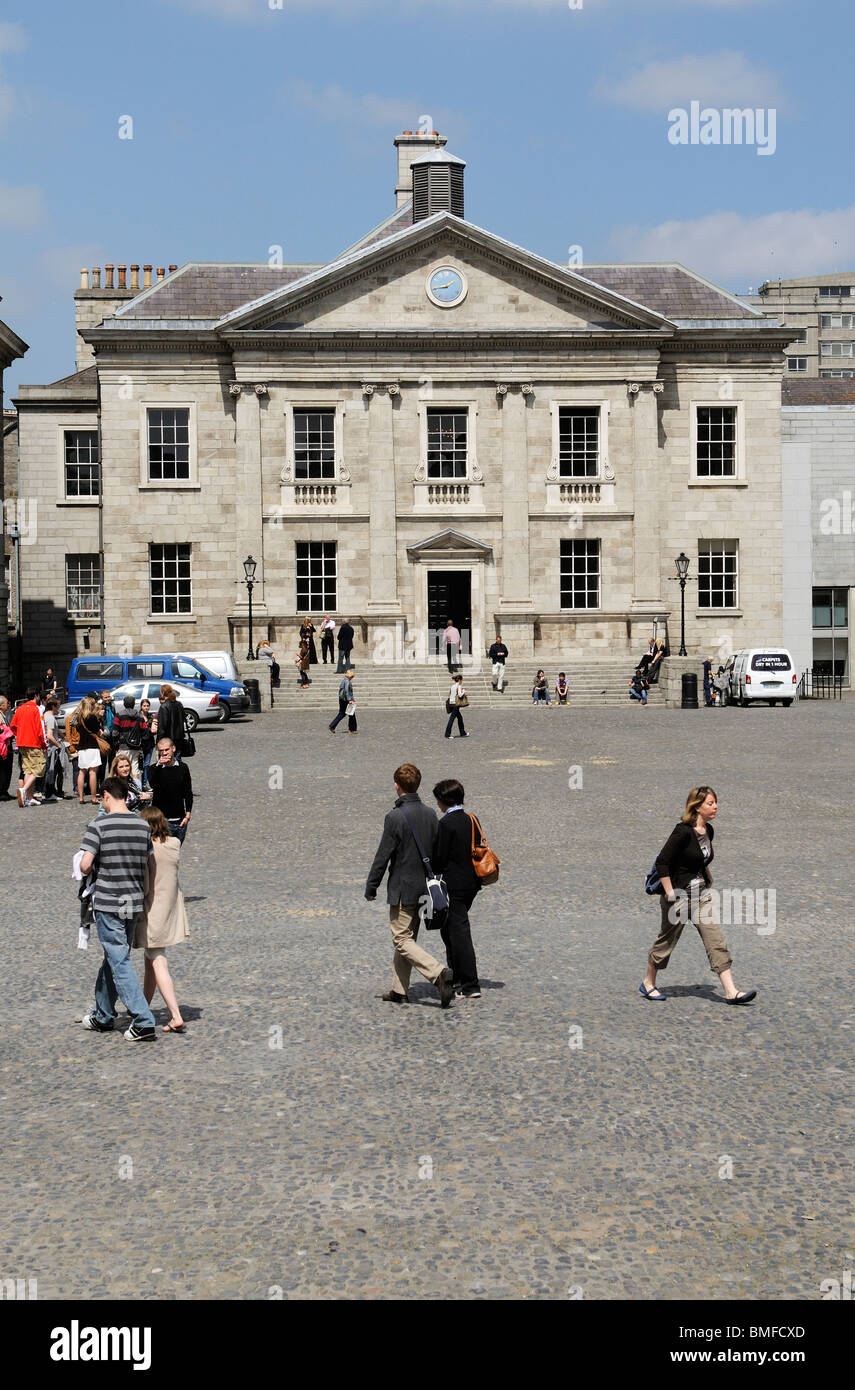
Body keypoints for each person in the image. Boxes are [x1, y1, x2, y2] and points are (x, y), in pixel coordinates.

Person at [640, 785, 757, 1006]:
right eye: (710, 803)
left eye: (715, 802)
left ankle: (731, 991)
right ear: (697, 806)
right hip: (679, 898)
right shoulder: (682, 831)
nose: (715, 807)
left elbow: (700, 859)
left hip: (701, 897)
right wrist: (669, 892)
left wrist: (708, 877)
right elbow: (663, 862)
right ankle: (648, 982)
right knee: (666, 942)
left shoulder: (709, 830)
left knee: (717, 941)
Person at [364, 762, 454, 1008]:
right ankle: (399, 990)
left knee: (401, 940)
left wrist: (371, 886)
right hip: (424, 888)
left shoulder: (394, 817)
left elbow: (383, 855)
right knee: (408, 938)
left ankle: (438, 973)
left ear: (397, 786)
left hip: (403, 889)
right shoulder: (430, 814)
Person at [79, 775, 157, 1041]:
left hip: (109, 901)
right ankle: (103, 1015)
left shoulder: (98, 824)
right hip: (132, 901)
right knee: (113, 957)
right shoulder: (141, 825)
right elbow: (149, 864)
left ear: (106, 795)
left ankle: (143, 1019)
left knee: (119, 960)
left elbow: (85, 865)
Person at [136, 806, 190, 1034]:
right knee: (150, 962)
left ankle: (175, 1014)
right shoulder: (174, 844)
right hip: (171, 909)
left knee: (157, 961)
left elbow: (146, 885)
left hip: (153, 910)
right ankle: (143, 1009)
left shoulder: (149, 850)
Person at [432, 778, 482, 1000]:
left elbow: (440, 857)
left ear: (444, 800)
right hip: (472, 883)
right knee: (450, 930)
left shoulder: (446, 824)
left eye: (438, 800)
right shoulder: (472, 819)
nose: (437, 805)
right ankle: (457, 979)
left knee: (460, 934)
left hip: (454, 886)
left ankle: (470, 985)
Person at [146, 737, 193, 843]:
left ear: (173, 749)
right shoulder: (154, 769)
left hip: (179, 821)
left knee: (175, 855)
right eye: (161, 751)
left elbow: (188, 792)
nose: (164, 753)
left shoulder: (183, 768)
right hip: (161, 821)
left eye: (166, 749)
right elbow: (153, 783)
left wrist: (188, 814)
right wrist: (159, 765)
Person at [10, 688, 48, 807]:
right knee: (38, 768)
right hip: (34, 743)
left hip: (22, 743)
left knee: (28, 769)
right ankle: (24, 790)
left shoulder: (19, 709)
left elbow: (13, 726)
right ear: (36, 696)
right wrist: (45, 744)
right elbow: (41, 728)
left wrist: (20, 735)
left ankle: (29, 797)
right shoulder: (37, 709)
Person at [73, 695, 106, 805]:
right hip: (92, 746)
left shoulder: (80, 717)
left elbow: (77, 728)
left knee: (82, 772)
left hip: (82, 746)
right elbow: (98, 732)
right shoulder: (92, 718)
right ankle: (93, 798)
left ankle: (81, 797)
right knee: (93, 772)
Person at [111, 694, 144, 779]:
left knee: (122, 769)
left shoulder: (119, 715)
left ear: (124, 704)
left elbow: (115, 732)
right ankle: (137, 789)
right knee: (135, 769)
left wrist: (116, 745)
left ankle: (123, 789)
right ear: (134, 704)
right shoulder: (140, 716)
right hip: (135, 746)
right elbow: (144, 731)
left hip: (122, 746)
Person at [156, 685, 186, 751]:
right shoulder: (179, 704)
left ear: (163, 693)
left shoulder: (164, 706)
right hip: (179, 738)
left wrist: (158, 741)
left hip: (168, 741)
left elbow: (162, 727)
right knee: (177, 758)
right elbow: (183, 718)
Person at [329, 668, 357, 733]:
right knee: (351, 714)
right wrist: (350, 699)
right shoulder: (347, 682)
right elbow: (347, 691)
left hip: (341, 699)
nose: (352, 678)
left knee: (341, 713)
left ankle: (332, 725)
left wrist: (352, 698)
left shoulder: (344, 680)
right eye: (352, 676)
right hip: (346, 700)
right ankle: (352, 729)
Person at [445, 672, 469, 739]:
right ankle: (447, 734)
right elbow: (460, 695)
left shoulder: (452, 686)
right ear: (459, 680)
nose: (461, 682)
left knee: (459, 718)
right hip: (456, 704)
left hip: (451, 704)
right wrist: (463, 692)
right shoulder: (459, 686)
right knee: (452, 719)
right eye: (461, 680)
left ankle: (462, 733)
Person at [0, 696, 14, 800]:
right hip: (3, 747)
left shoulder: (3, 714)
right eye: (6, 703)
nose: (8, 705)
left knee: (6, 770)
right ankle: (2, 792)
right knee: (3, 770)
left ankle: (4, 790)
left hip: (6, 746)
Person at [139, 698, 156, 782]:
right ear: (141, 706)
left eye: (147, 706)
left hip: (149, 743)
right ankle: (138, 783)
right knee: (139, 765)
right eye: (144, 706)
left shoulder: (151, 716)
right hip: (140, 744)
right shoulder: (138, 716)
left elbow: (154, 731)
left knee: (146, 764)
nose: (146, 707)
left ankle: (144, 783)